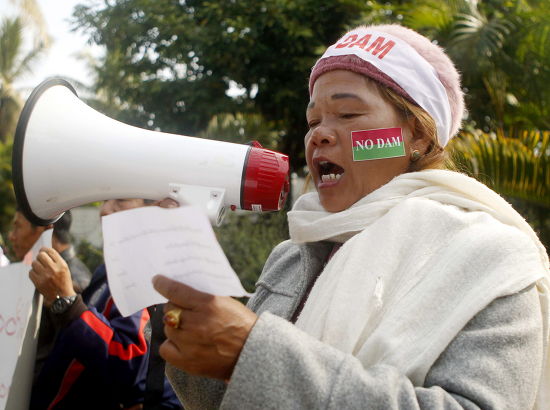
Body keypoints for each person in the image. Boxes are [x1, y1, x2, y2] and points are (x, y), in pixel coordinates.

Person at [151, 24, 549, 409]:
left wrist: (250, 353)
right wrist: (188, 294)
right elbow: (222, 401)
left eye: (348, 114)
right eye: (313, 121)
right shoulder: (293, 255)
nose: (319, 135)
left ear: (419, 135)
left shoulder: (490, 257)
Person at [29, 199, 182, 410]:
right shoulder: (112, 268)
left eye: (120, 200)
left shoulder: (152, 275)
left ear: (159, 207)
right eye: (105, 200)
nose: (104, 210)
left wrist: (68, 302)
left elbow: (127, 362)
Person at [8, 208, 91, 291]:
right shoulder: (37, 271)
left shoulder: (78, 283)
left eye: (18, 226)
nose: (11, 236)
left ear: (46, 229)